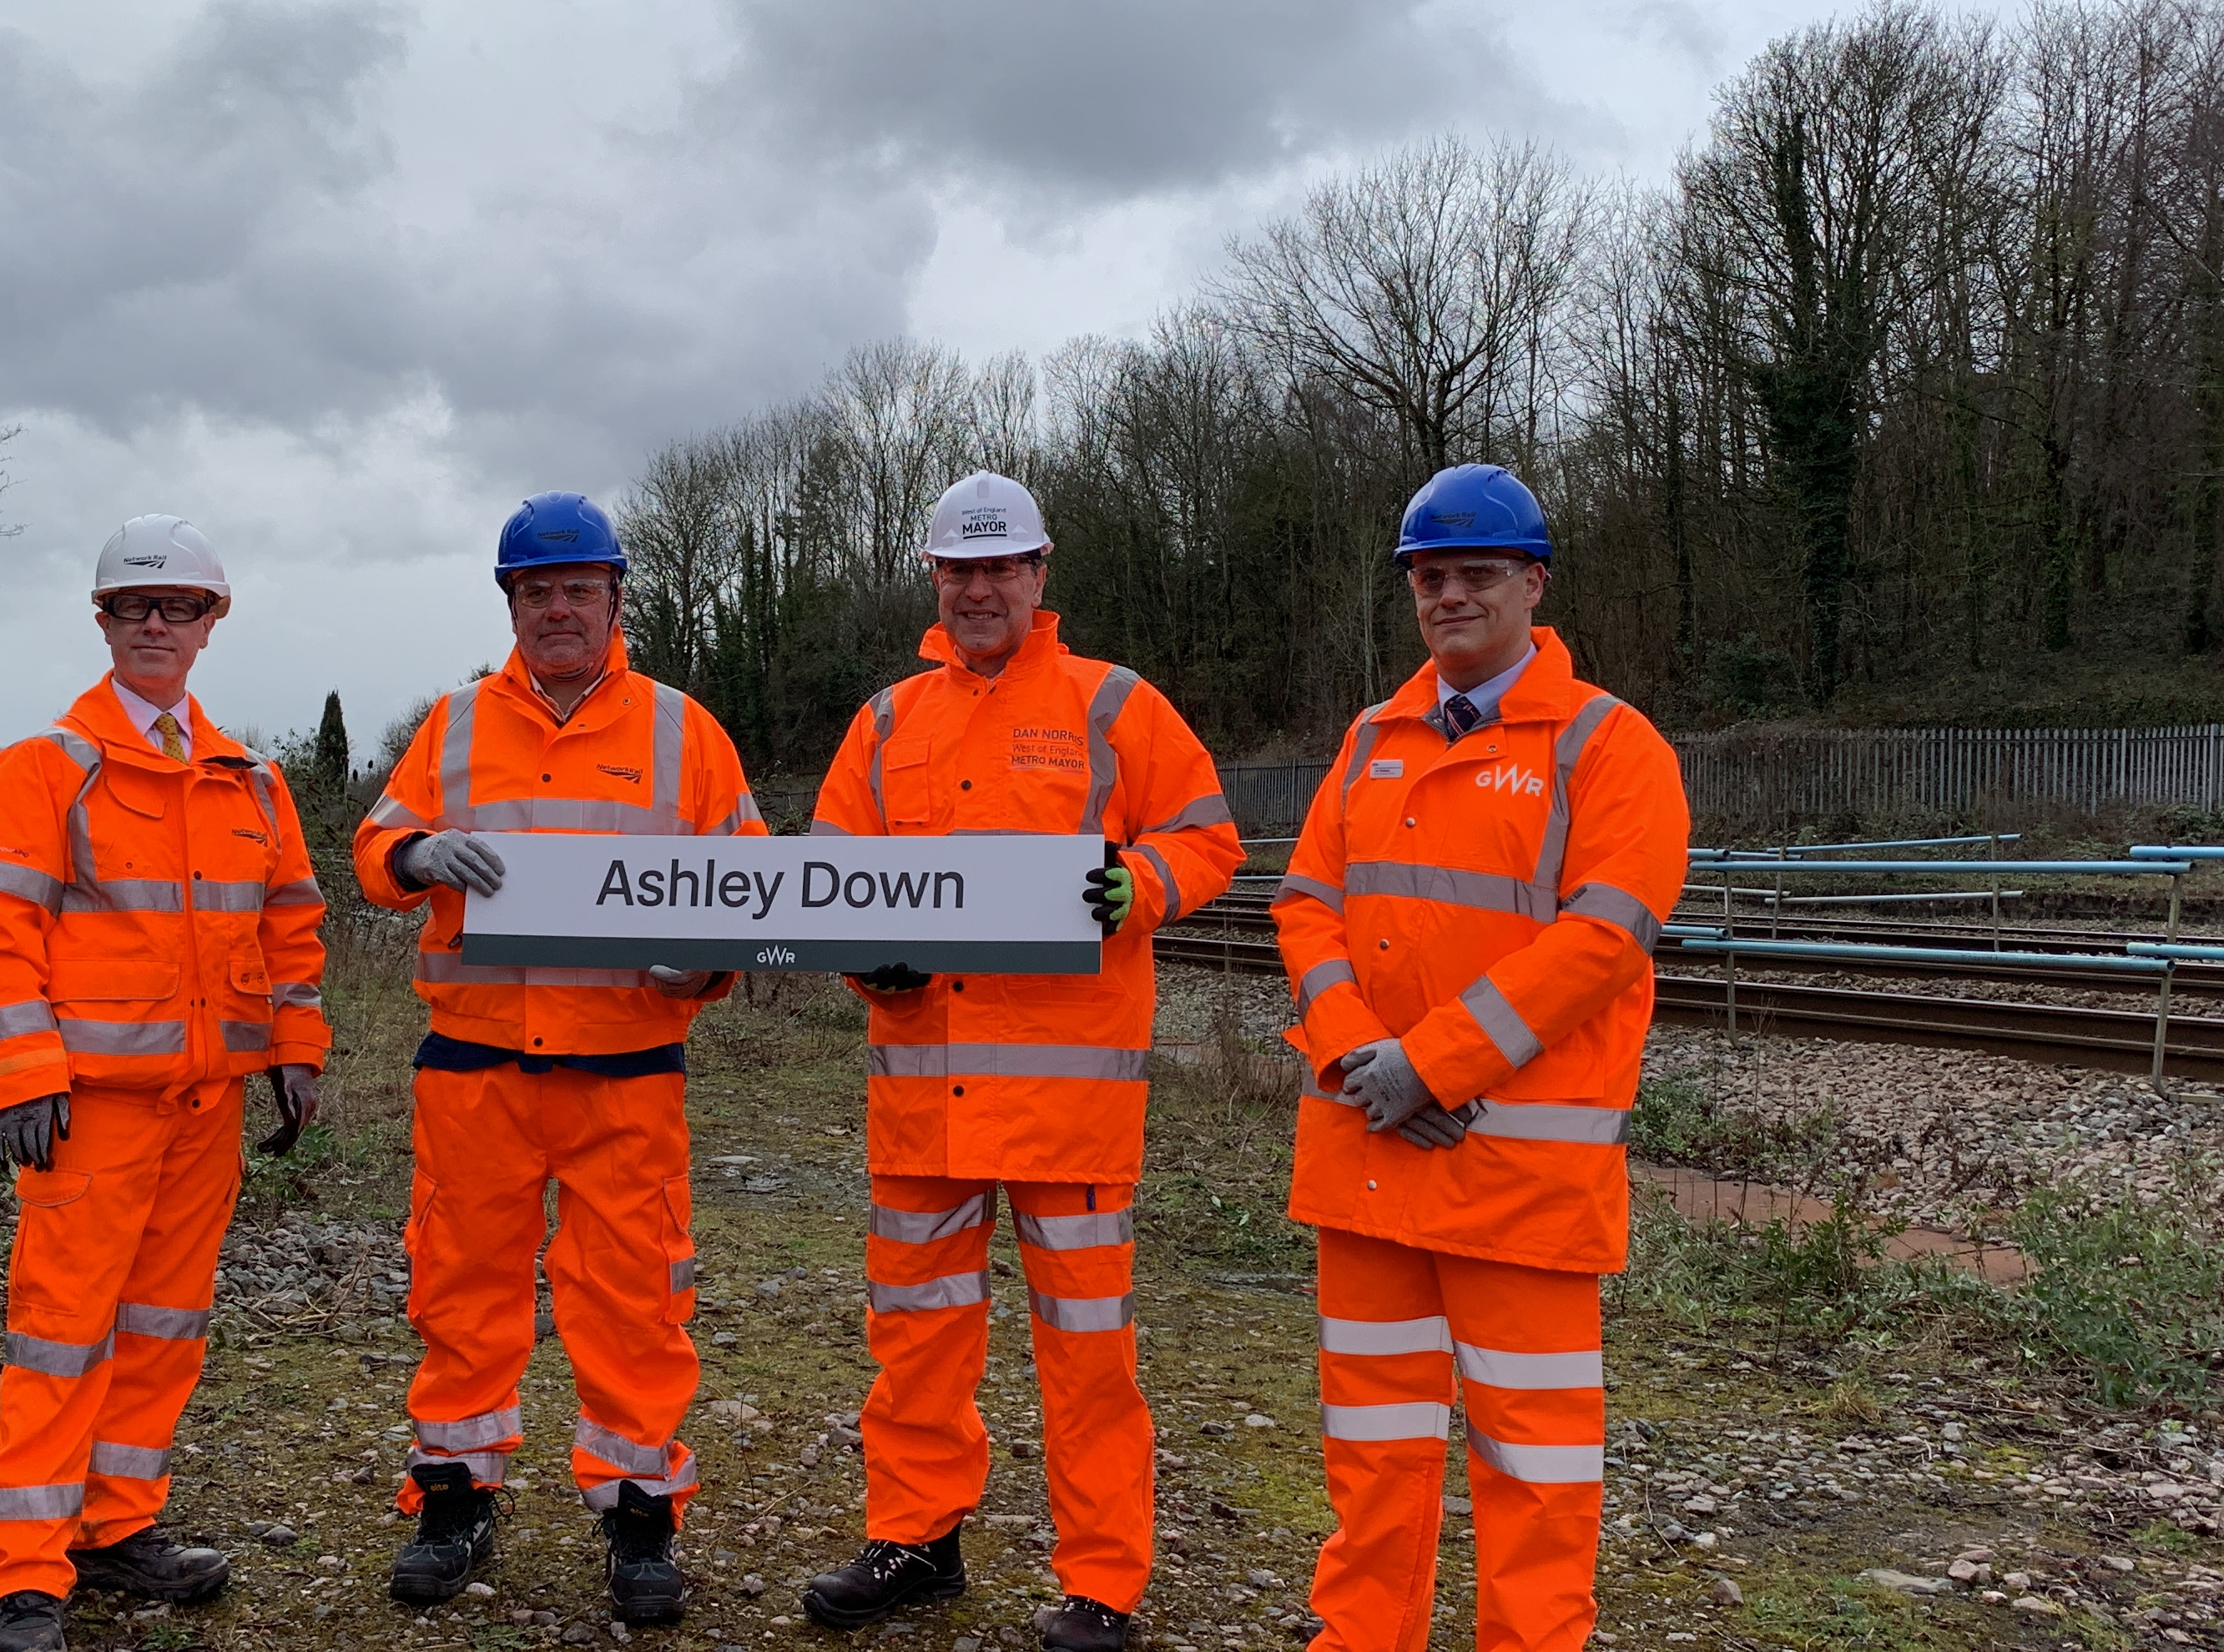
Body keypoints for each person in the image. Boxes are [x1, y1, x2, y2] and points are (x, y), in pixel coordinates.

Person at [797, 471, 1244, 1652]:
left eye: (1001, 568)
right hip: (924, 1099)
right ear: (936, 581)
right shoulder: (888, 720)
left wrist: (1137, 886)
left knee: (1089, 1361)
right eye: (961, 569)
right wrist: (864, 964)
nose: (980, 588)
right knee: (915, 1341)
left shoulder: (1114, 706)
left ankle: (1102, 1584)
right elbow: (831, 876)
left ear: (1041, 576)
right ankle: (915, 1538)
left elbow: (1206, 835)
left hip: (1069, 1106)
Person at [1271, 464, 1688, 1652]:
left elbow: (1604, 937)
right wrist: (1366, 1058)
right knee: (1371, 1450)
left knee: (1535, 1467)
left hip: (1517, 1180)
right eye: (1429, 577)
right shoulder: (1372, 739)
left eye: (1477, 575)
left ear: (1533, 583)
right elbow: (1306, 907)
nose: (1450, 596)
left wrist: (1437, 1065)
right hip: (1373, 1159)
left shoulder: (1609, 747)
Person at [353, 491, 768, 1623]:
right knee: (460, 1288)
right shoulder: (454, 724)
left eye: (578, 590)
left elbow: (751, 890)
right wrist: (419, 852)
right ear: (512, 605)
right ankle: (454, 1498)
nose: (557, 610)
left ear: (616, 599)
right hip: (475, 1066)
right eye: (536, 593)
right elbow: (376, 847)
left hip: (624, 1070)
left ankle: (640, 1518)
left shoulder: (684, 730)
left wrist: (702, 970)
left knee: (634, 1302)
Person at [0, 516, 333, 1652]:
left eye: (181, 607)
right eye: (136, 606)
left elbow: (291, 928)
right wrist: (18, 1073)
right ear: (104, 622)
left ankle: (118, 1530)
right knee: (62, 1335)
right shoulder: (45, 772)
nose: (157, 624)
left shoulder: (252, 781)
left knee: (164, 1331)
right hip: (89, 1113)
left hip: (206, 1110)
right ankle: (28, 1572)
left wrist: (296, 1055)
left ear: (214, 623)